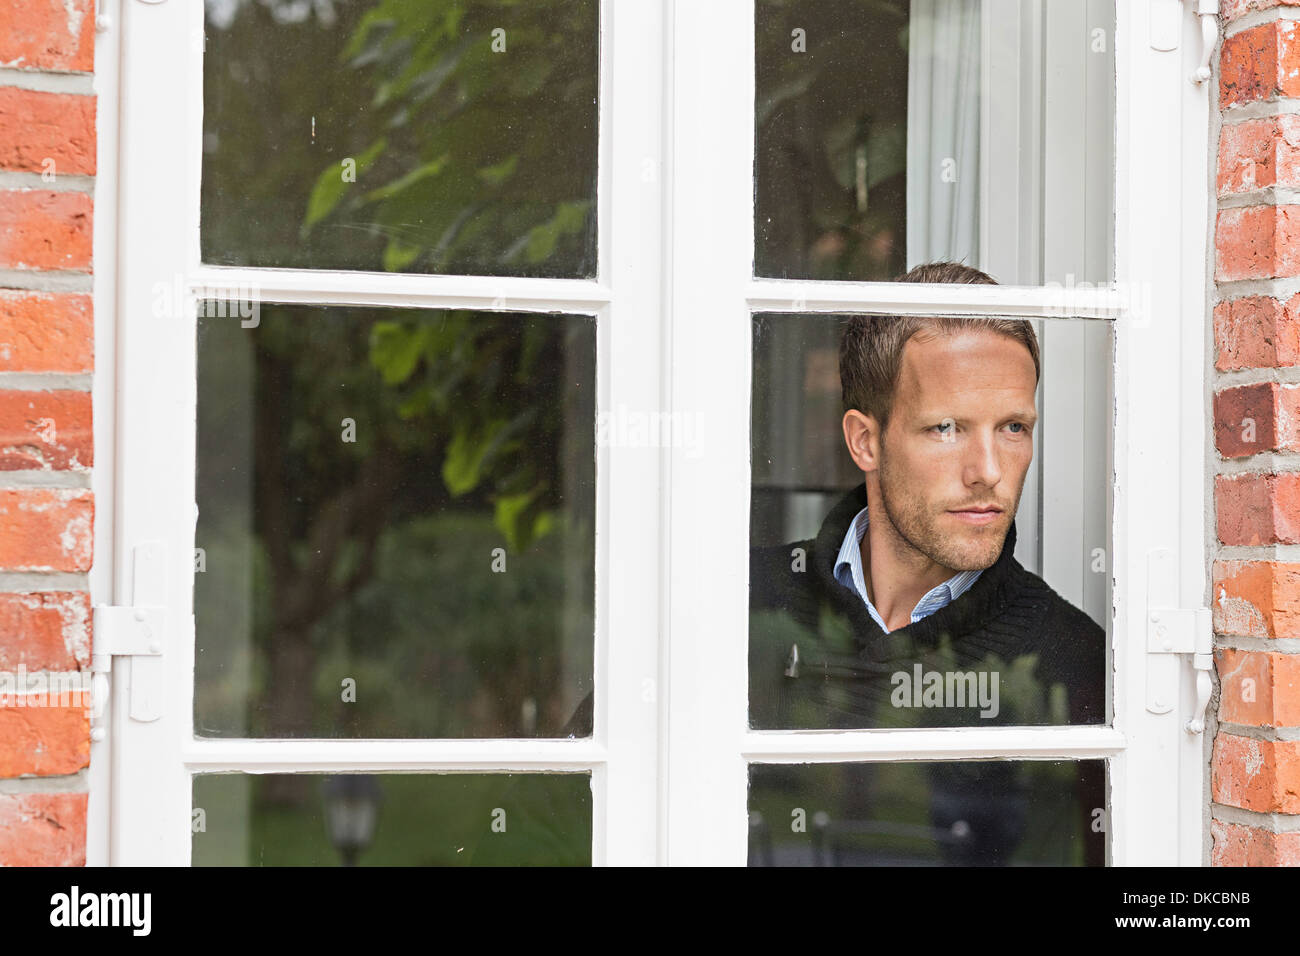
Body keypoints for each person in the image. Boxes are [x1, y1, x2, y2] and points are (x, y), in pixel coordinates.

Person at [747, 260, 1105, 865]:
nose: (988, 470)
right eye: (946, 428)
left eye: (1013, 426)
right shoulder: (739, 603)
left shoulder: (1079, 665)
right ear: (865, 440)